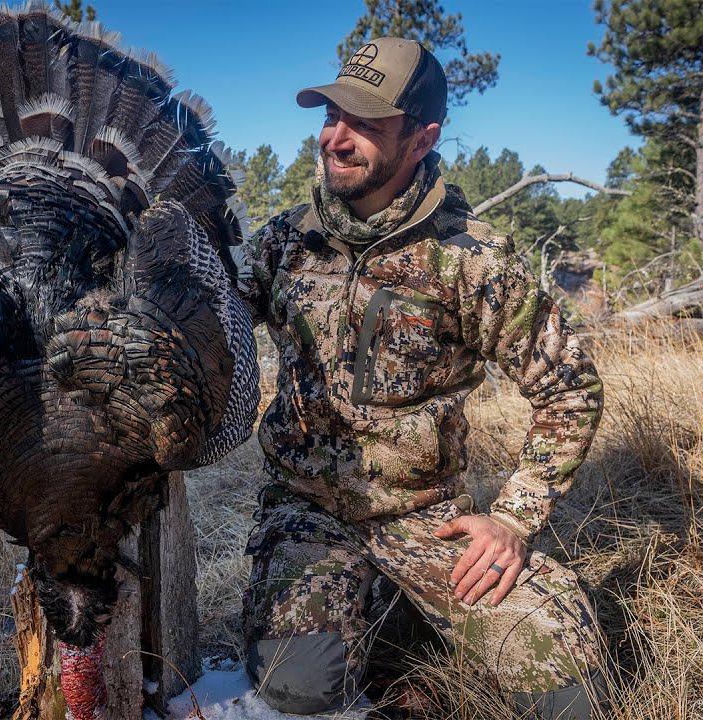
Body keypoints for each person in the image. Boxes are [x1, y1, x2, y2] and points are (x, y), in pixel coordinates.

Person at [238, 37, 607, 719]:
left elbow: (569, 388)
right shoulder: (282, 241)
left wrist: (514, 519)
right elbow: (211, 324)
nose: (335, 139)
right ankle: (377, 609)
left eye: (364, 124)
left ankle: (403, 604)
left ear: (421, 137)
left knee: (570, 698)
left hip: (424, 518)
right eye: (328, 116)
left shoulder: (471, 258)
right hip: (306, 509)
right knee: (296, 689)